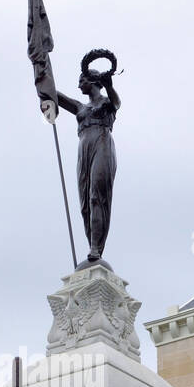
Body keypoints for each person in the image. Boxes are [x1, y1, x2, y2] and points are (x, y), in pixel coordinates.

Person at [57, 61, 120, 262]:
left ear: (93, 81)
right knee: (85, 203)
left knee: (96, 196)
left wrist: (109, 85)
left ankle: (95, 248)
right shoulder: (80, 107)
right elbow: (56, 96)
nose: (78, 85)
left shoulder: (106, 103)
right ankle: (92, 243)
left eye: (81, 80)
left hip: (102, 145)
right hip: (83, 149)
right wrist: (41, 69)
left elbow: (116, 103)